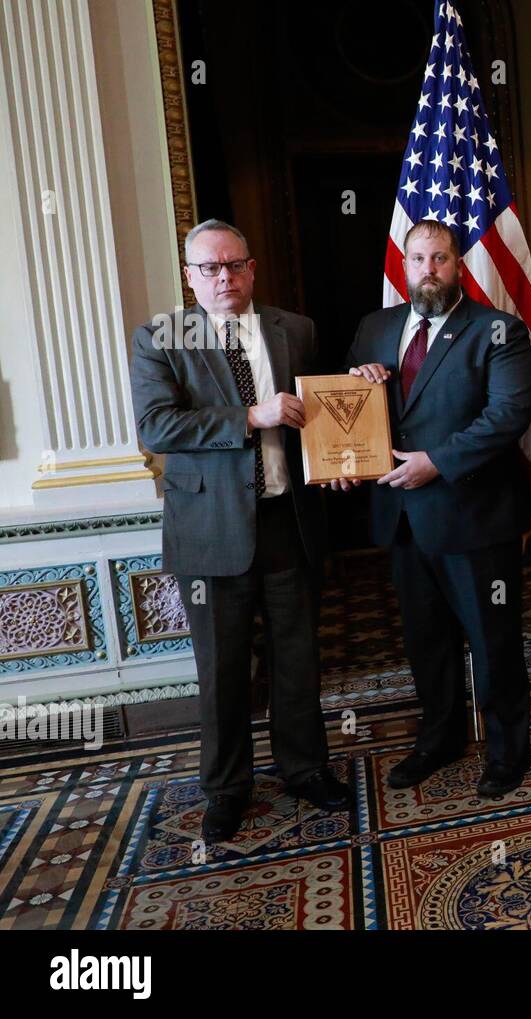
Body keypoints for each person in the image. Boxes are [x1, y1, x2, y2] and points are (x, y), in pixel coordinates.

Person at [130, 218, 348, 843]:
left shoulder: (296, 329)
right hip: (211, 528)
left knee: (297, 657)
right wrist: (253, 415)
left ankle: (306, 769)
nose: (224, 278)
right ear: (190, 276)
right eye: (209, 268)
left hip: (288, 517)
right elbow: (159, 428)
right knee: (223, 668)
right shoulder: (159, 337)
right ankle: (226, 788)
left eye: (234, 265)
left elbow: (321, 412)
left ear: (252, 268)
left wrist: (337, 456)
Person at [342, 220, 531, 797]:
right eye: (418, 258)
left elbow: (507, 416)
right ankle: (441, 736)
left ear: (459, 265)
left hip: (473, 513)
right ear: (404, 265)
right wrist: (359, 383)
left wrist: (437, 462)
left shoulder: (498, 330)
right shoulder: (374, 328)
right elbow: (350, 408)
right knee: (427, 640)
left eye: (441, 258)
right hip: (401, 514)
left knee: (491, 637)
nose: (429, 269)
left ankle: (507, 751)